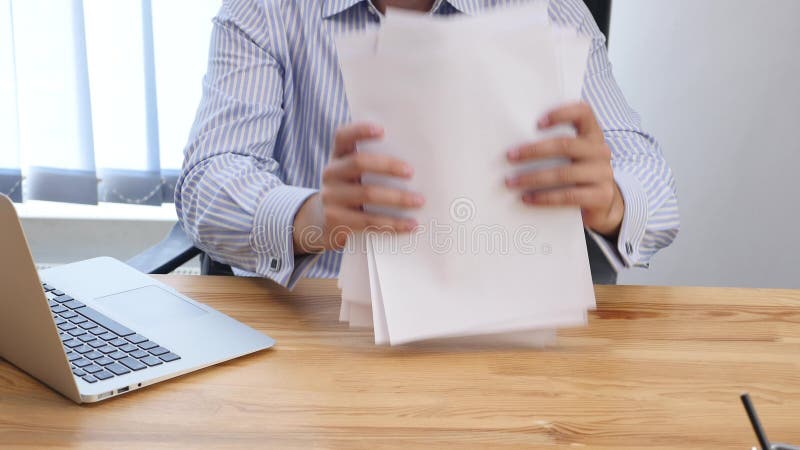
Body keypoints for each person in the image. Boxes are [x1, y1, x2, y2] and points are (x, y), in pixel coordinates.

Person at [175, 0, 680, 288]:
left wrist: (611, 200)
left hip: (505, 336)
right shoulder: (267, 9)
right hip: (322, 332)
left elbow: (652, 183)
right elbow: (207, 180)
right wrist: (312, 219)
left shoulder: (548, 11)